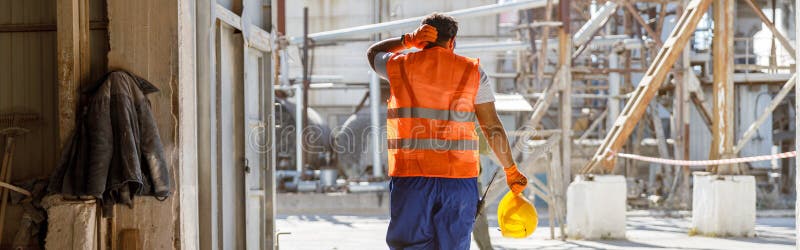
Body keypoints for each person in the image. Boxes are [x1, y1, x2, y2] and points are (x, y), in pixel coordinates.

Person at [367, 12, 529, 249]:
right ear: (452, 42)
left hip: (412, 177)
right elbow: (492, 127)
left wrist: (406, 41)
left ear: (422, 40)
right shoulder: (472, 73)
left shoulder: (400, 67)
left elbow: (373, 54)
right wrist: (511, 169)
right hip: (459, 181)